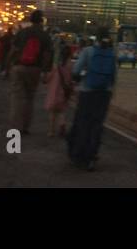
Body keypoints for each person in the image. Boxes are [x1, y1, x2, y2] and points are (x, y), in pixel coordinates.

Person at [67, 30, 118, 170]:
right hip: (104, 94)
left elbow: (76, 70)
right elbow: (114, 77)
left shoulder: (88, 51)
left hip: (87, 92)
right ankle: (91, 157)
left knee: (83, 123)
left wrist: (78, 78)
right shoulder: (112, 54)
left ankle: (78, 155)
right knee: (97, 125)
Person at [5, 10, 52, 134]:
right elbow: (47, 55)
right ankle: (25, 127)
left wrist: (7, 65)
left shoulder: (23, 32)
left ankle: (15, 127)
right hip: (35, 69)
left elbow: (13, 49)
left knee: (17, 98)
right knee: (30, 98)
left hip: (19, 67)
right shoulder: (45, 35)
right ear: (42, 21)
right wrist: (45, 71)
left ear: (30, 20)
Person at [44, 44, 74, 137]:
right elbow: (70, 79)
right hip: (63, 92)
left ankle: (51, 131)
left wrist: (46, 79)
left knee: (52, 113)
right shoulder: (70, 65)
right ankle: (62, 125)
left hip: (54, 92)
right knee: (61, 111)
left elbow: (49, 78)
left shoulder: (56, 66)